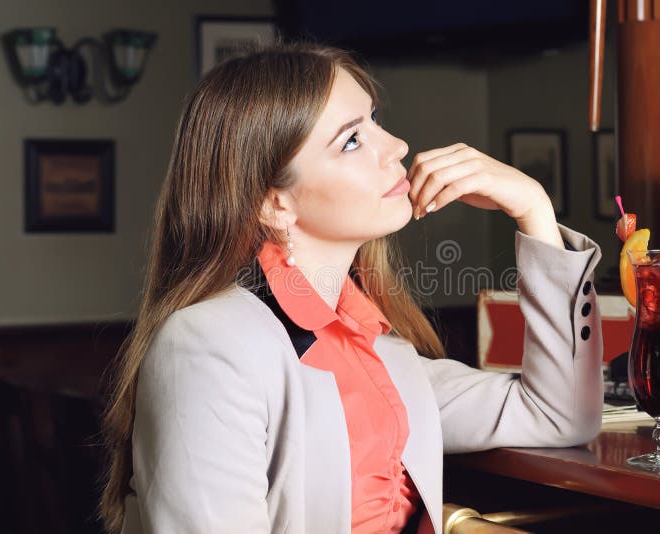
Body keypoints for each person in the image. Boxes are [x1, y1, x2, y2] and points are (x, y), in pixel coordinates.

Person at [99, 41, 603, 534]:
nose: (398, 147)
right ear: (275, 204)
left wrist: (535, 210)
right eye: (352, 140)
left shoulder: (376, 349)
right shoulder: (210, 345)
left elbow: (559, 415)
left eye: (375, 122)